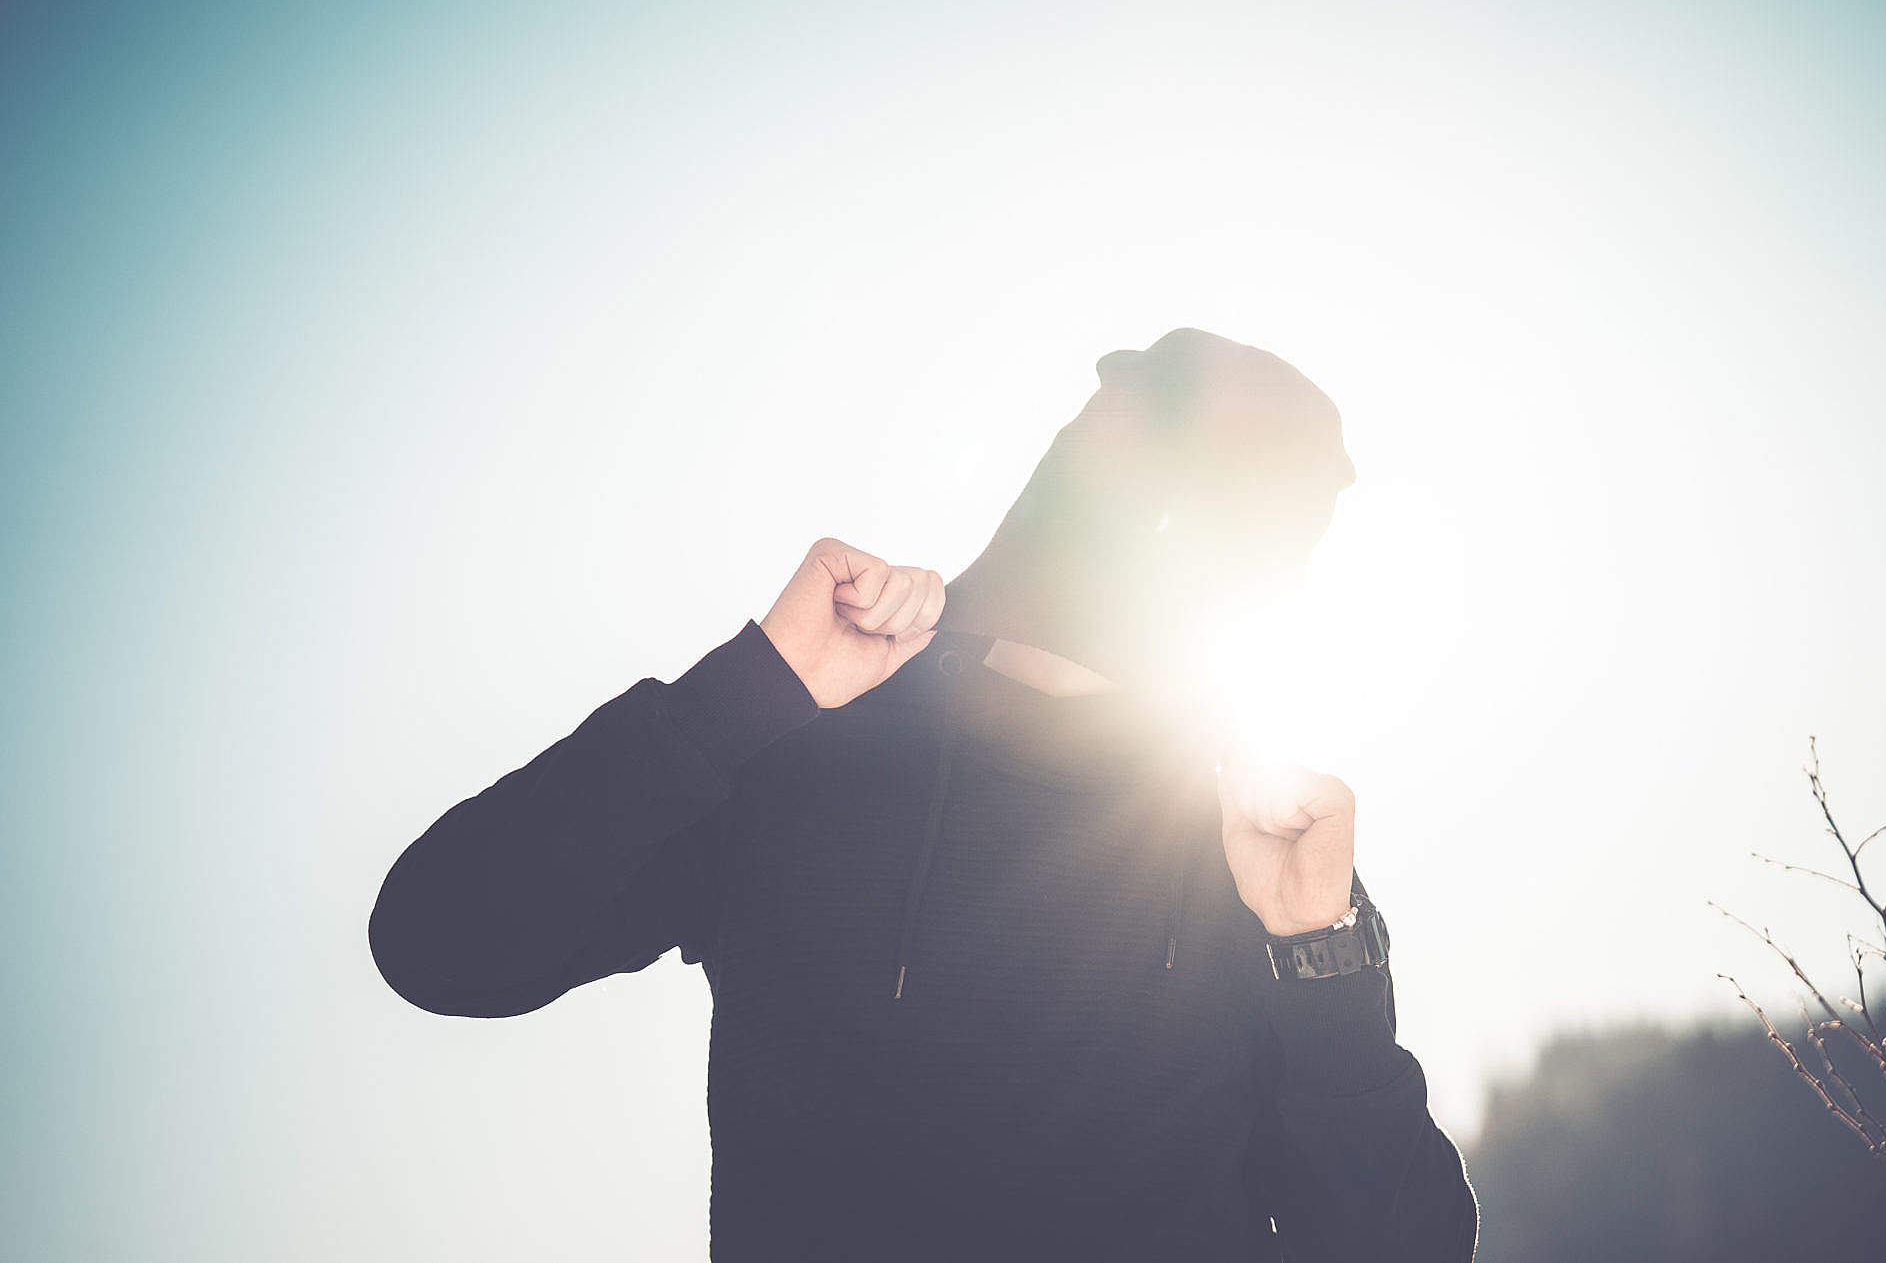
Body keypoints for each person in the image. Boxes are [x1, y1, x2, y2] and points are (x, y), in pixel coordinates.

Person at [369, 326, 1480, 1261]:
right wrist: (747, 691)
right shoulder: (802, 751)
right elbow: (439, 938)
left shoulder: (1247, 851)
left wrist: (1321, 958)